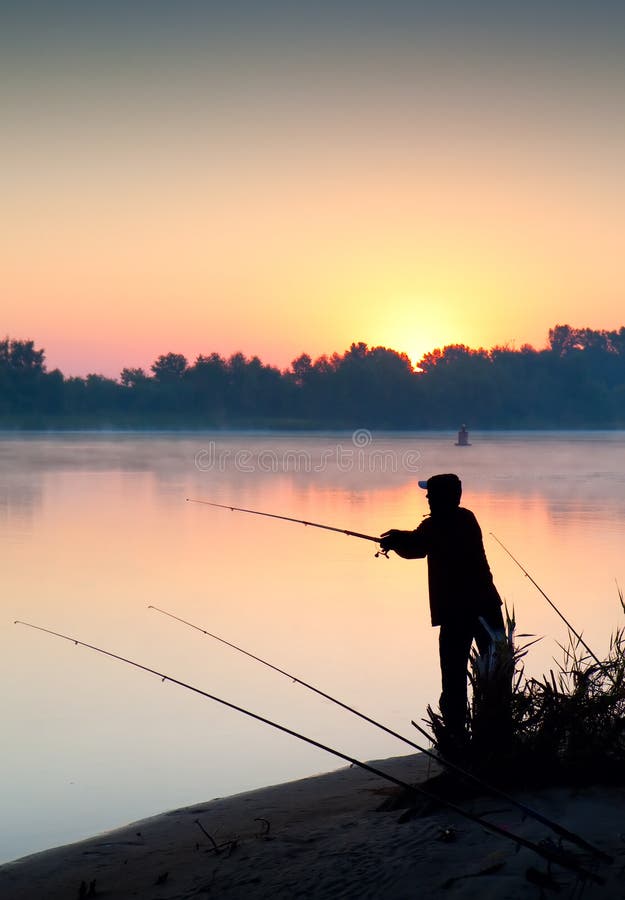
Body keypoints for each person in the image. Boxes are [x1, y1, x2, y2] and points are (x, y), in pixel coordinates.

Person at [379, 473, 504, 751]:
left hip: (458, 613)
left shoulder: (438, 525)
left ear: (443, 497)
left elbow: (418, 546)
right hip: (487, 608)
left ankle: (457, 740)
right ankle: (494, 736)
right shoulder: (466, 519)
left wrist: (396, 540)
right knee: (495, 674)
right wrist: (400, 541)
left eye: (431, 493)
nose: (427, 497)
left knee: (454, 677)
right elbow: (418, 545)